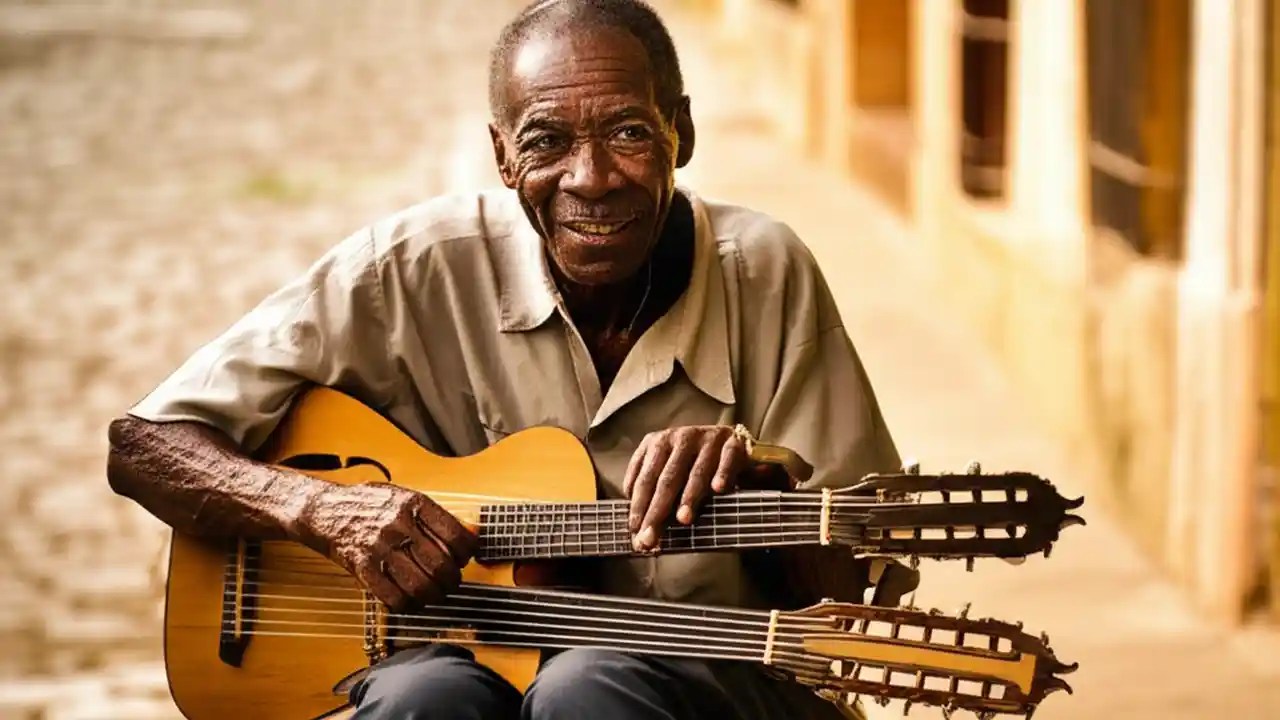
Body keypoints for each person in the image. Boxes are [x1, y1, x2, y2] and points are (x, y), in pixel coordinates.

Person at [106, 1, 912, 718]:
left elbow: (851, 609)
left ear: (683, 133)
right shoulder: (410, 268)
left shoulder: (764, 271)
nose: (590, 179)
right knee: (424, 698)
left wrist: (763, 482)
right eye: (547, 142)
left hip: (720, 688)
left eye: (629, 132)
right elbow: (144, 445)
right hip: (455, 667)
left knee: (586, 688)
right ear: (501, 156)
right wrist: (323, 513)